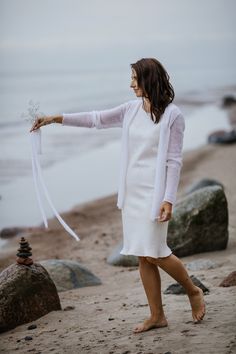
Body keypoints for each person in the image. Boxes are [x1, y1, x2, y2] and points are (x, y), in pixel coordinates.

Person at [30, 58, 205, 333]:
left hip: (155, 194)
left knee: (157, 253)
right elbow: (95, 119)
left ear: (150, 79)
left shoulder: (174, 116)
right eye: (131, 78)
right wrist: (55, 118)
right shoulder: (130, 110)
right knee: (142, 256)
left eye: (135, 78)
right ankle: (157, 315)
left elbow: (174, 161)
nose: (131, 83)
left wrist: (168, 198)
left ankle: (193, 290)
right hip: (132, 193)